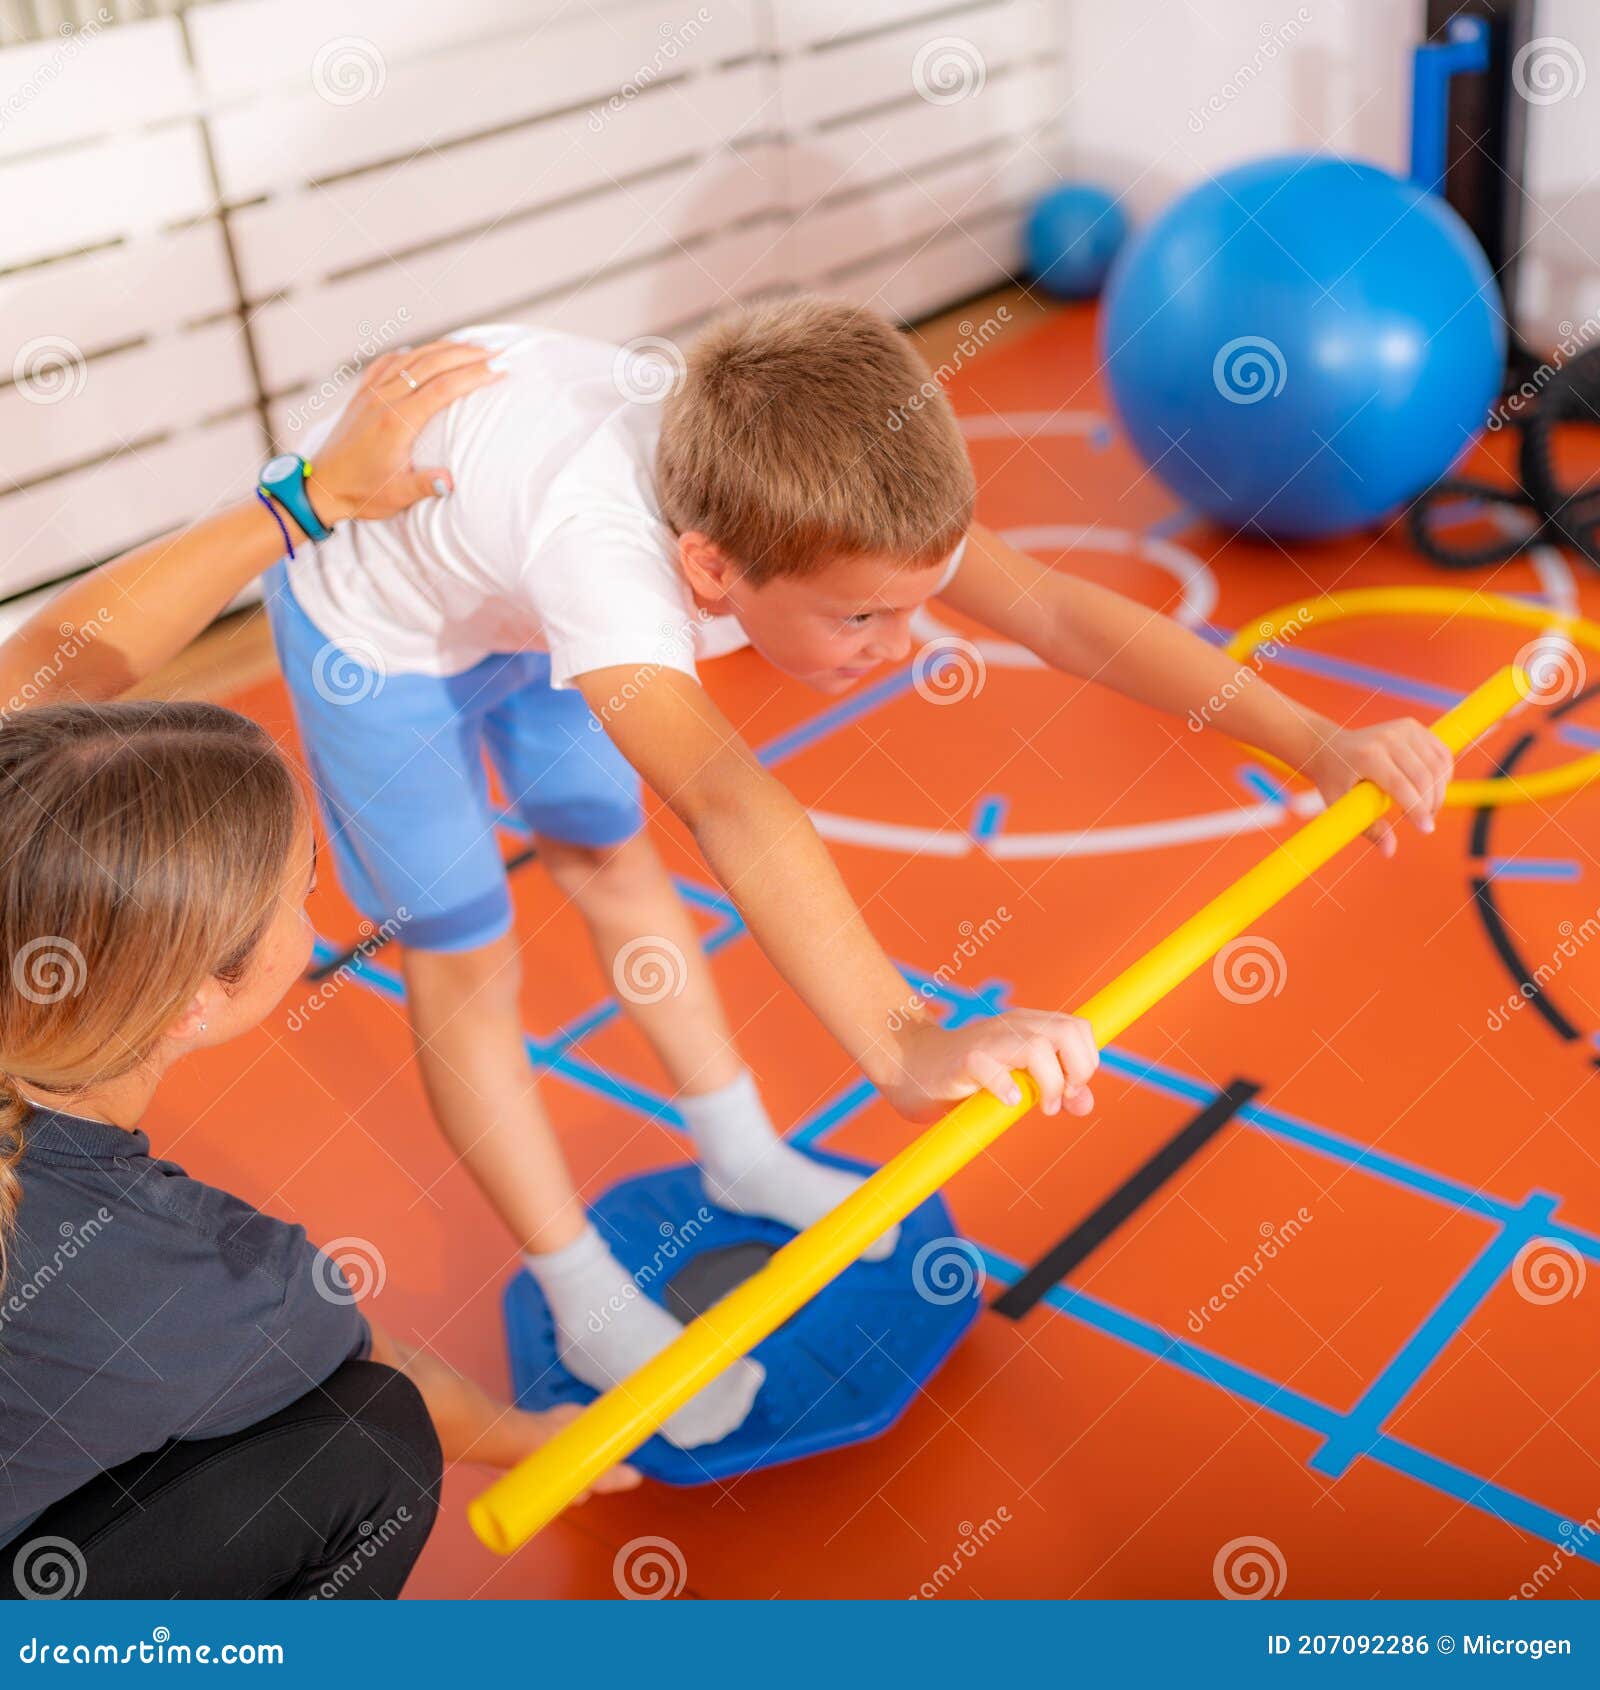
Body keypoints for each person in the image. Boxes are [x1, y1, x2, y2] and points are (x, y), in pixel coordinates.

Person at [0, 343, 635, 1600]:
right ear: (196, 998)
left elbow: (53, 667)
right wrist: (528, 1439)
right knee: (370, 1442)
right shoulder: (170, 1265)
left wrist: (309, 498)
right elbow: (383, 1363)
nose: (320, 900)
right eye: (298, 892)